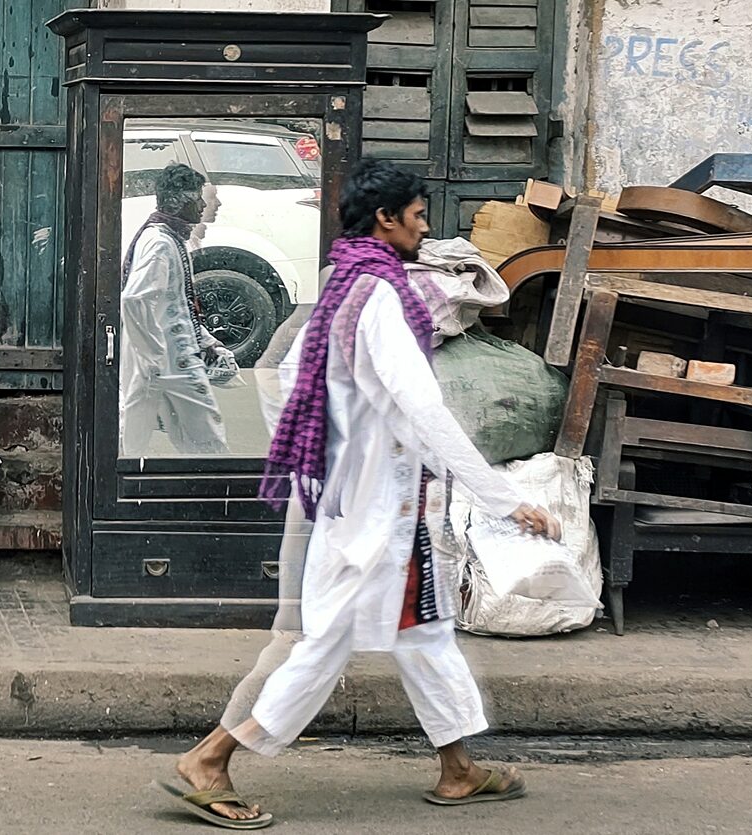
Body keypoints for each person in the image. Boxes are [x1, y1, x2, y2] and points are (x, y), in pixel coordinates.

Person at [156, 159, 563, 830]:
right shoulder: (379, 297)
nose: (425, 228)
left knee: (423, 633)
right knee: (324, 647)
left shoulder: (345, 286)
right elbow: (424, 410)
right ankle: (210, 758)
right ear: (386, 218)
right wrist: (503, 499)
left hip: (367, 505)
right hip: (373, 514)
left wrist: (337, 452)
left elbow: (290, 380)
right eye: (418, 216)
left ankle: (458, 768)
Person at [119, 163, 241, 458]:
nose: (203, 205)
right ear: (177, 201)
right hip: (169, 363)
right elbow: (134, 299)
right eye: (197, 198)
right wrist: (153, 354)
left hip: (166, 362)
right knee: (205, 436)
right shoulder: (160, 243)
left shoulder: (169, 239)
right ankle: (215, 483)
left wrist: (206, 341)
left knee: (136, 434)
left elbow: (176, 305)